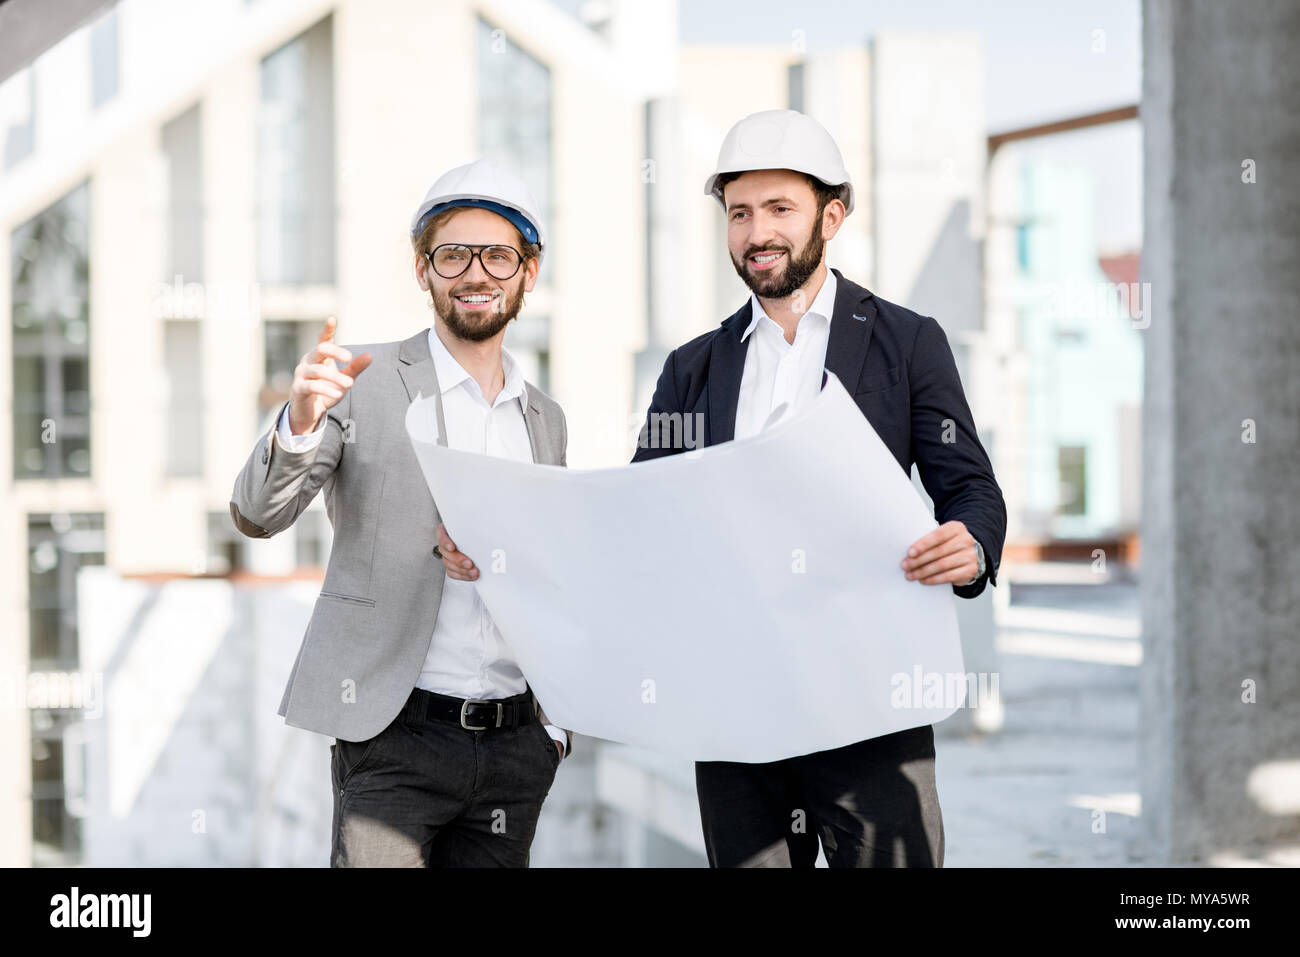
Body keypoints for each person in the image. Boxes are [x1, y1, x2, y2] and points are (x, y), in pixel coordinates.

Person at [229, 159, 571, 867]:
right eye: (453, 255)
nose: (475, 273)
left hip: (515, 747)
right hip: (393, 735)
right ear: (424, 270)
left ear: (528, 273)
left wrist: (553, 729)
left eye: (498, 256)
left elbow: (552, 569)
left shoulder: (545, 419)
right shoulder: (360, 379)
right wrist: (298, 420)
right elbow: (258, 515)